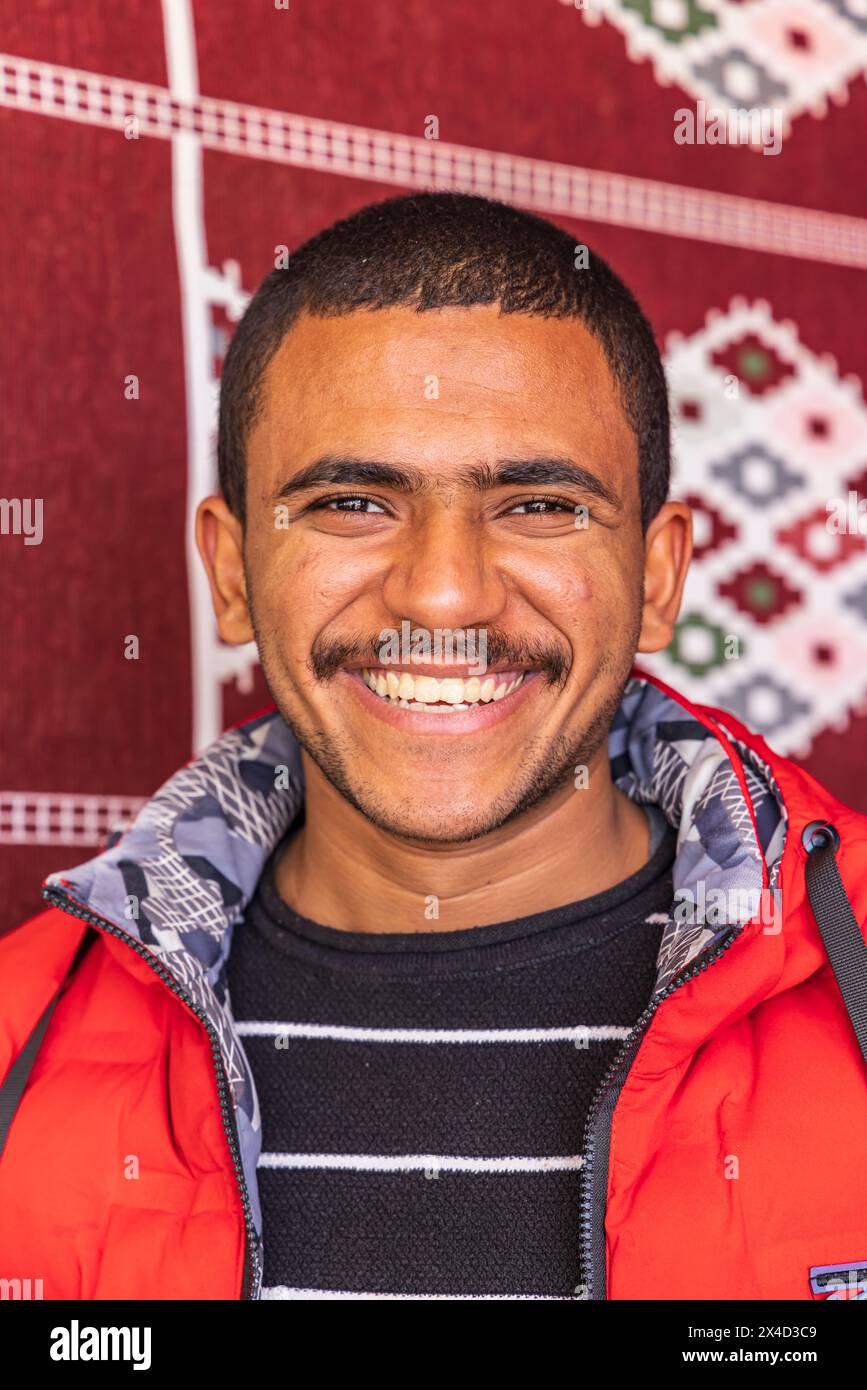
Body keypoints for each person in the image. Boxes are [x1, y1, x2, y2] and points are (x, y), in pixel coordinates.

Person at [1, 192, 866, 1302]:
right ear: (229, 573)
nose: (445, 593)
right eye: (354, 501)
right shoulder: (18, 1041)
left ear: (657, 579)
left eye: (539, 505)